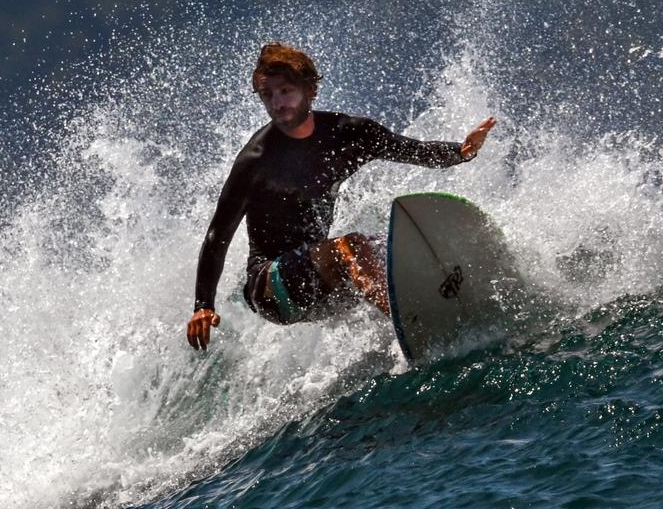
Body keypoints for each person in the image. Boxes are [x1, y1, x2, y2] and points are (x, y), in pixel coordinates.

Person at [185, 43, 495, 350]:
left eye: (286, 91)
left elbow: (413, 151)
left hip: (318, 279)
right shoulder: (256, 160)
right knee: (352, 248)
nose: (277, 103)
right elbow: (217, 235)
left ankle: (448, 304)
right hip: (270, 287)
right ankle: (413, 326)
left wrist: (462, 151)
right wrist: (203, 305)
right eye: (268, 95)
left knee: (393, 248)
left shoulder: (349, 135)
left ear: (310, 90)